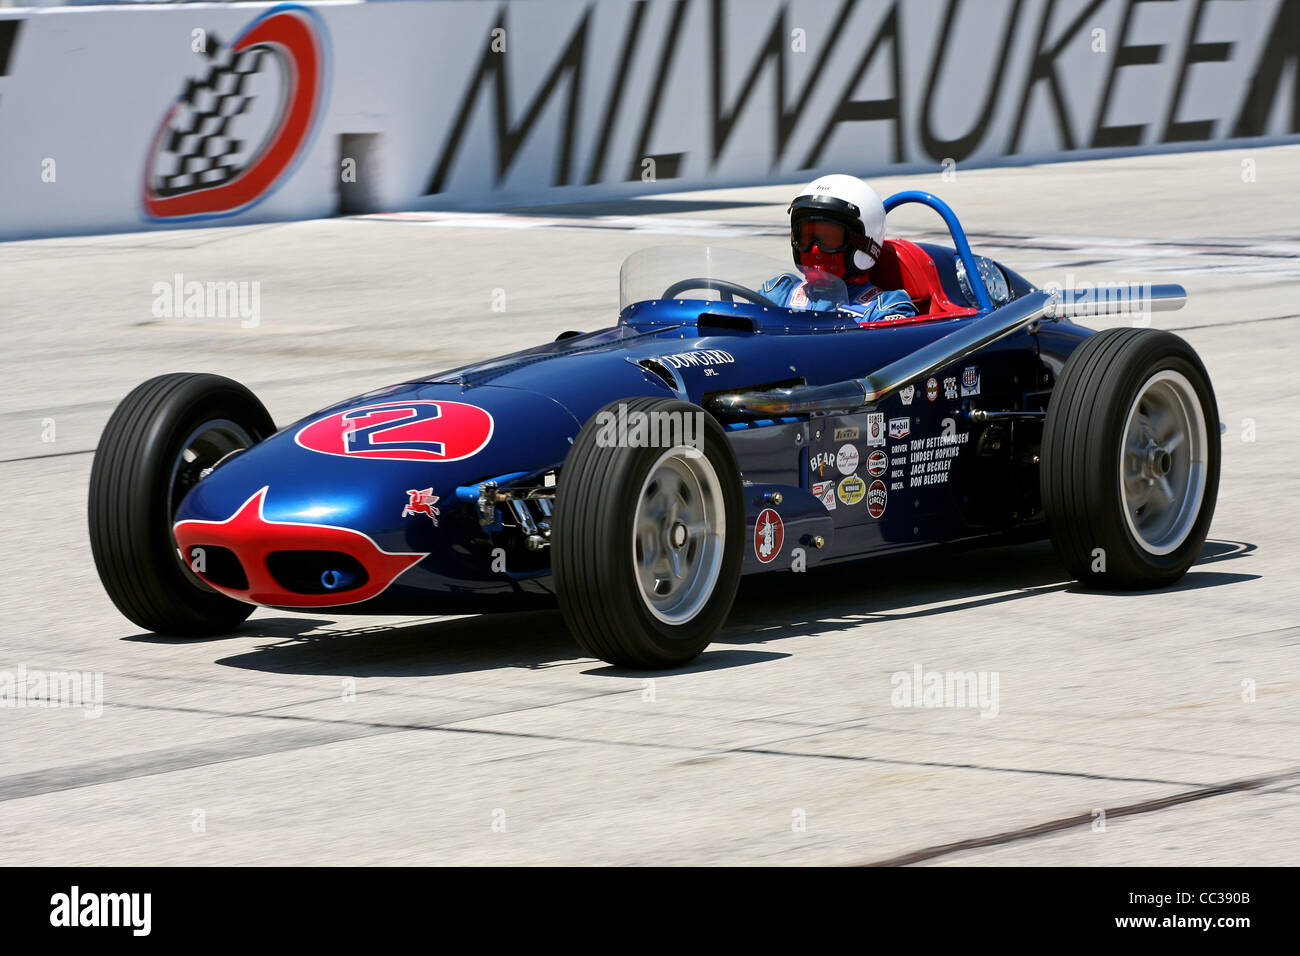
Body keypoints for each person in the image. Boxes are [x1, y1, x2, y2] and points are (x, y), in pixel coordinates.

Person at [759, 174, 916, 322]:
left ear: (864, 244)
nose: (814, 249)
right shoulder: (779, 294)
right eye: (807, 237)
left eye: (828, 238)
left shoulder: (883, 309)